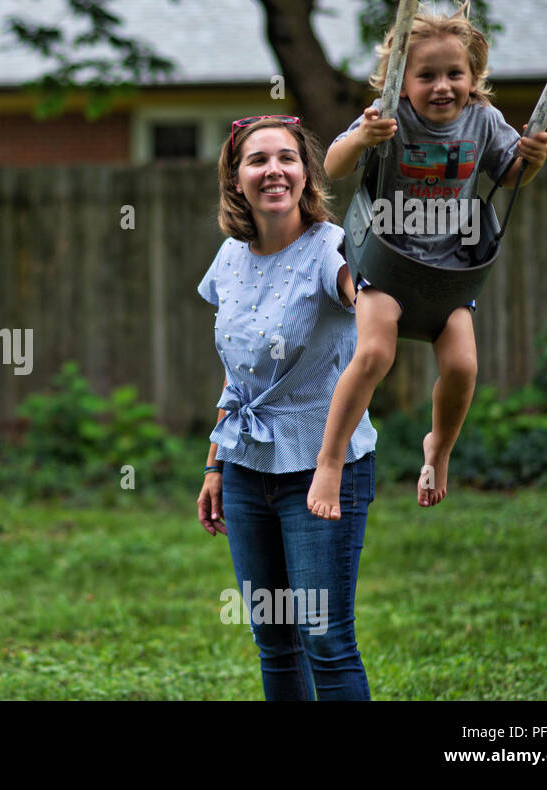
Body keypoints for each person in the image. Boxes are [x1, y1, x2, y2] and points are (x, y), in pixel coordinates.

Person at [307, 3, 547, 519]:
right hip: (387, 263)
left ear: (474, 76)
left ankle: (437, 451)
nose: (443, 86)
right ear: (401, 82)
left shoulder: (484, 121)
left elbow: (509, 178)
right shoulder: (388, 118)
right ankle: (328, 461)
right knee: (374, 354)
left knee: (463, 367)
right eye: (427, 76)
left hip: (449, 270)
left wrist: (531, 161)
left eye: (455, 74)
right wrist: (361, 138)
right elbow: (332, 165)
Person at [196, 115, 377, 700]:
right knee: (273, 637)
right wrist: (215, 464)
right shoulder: (228, 258)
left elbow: (370, 305)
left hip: (325, 467)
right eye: (257, 160)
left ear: (306, 173)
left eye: (287, 158)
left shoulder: (333, 250)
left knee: (326, 639)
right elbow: (237, 375)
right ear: (237, 178)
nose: (273, 170)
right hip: (248, 467)